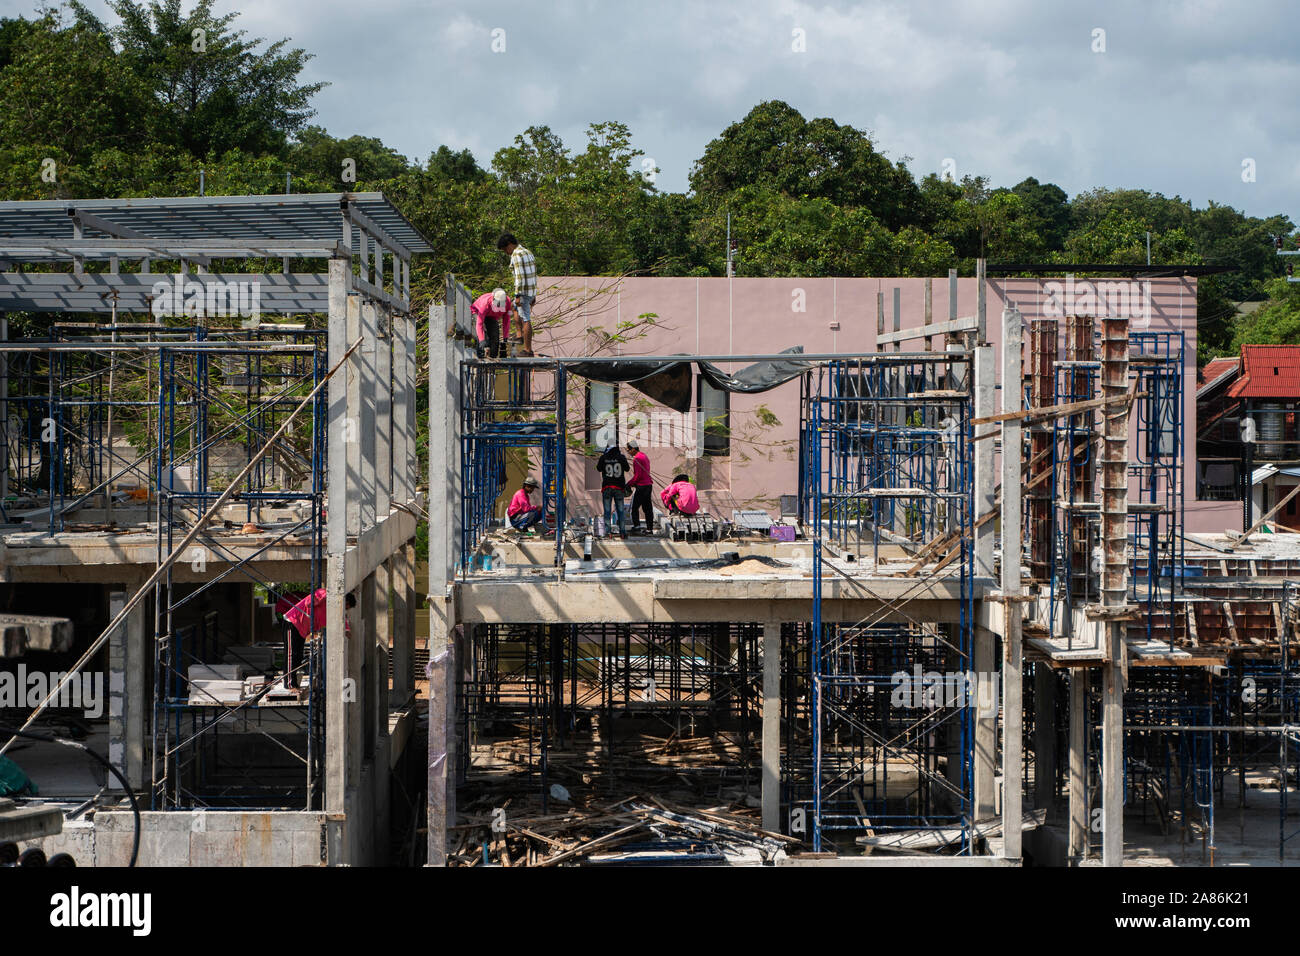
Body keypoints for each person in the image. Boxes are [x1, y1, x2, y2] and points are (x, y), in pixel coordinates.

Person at [282, 590, 355, 688]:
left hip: (302, 630)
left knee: (298, 656)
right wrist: (326, 595)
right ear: (345, 602)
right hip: (293, 622)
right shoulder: (325, 596)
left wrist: (346, 629)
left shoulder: (334, 609)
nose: (344, 610)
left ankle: (293, 683)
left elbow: (341, 618)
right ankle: (290, 685)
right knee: (291, 655)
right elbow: (309, 603)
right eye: (346, 607)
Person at [497, 232, 537, 356]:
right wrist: (534, 294)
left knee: (526, 319)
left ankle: (527, 350)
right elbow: (534, 273)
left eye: (505, 249)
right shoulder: (528, 252)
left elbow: (519, 276)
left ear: (510, 245)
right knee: (514, 307)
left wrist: (518, 295)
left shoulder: (516, 254)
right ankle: (519, 336)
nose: (506, 252)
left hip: (523, 292)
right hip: (530, 291)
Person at [596, 444, 629, 538]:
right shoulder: (621, 457)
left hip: (607, 487)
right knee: (621, 511)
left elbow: (598, 468)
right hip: (619, 487)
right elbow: (627, 468)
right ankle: (622, 532)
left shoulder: (603, 457)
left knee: (607, 511)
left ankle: (608, 533)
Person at [470, 287, 513, 358]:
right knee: (484, 337)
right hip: (477, 312)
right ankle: (480, 355)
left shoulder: (508, 302)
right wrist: (481, 340)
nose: (499, 306)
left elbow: (506, 321)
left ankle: (493, 359)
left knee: (495, 337)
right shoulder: (485, 304)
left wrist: (505, 338)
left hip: (492, 316)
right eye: (497, 304)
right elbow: (479, 323)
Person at [626, 438, 654, 534]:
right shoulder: (644, 456)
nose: (628, 452)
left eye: (629, 450)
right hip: (648, 485)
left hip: (641, 486)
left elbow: (638, 475)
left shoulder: (637, 458)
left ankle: (637, 526)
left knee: (634, 508)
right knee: (647, 508)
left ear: (633, 449)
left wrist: (629, 484)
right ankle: (650, 529)